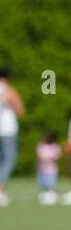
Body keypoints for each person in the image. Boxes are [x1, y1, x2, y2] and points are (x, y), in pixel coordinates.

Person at [0, 68, 24, 208]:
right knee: (9, 159)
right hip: (7, 130)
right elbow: (20, 109)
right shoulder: (8, 90)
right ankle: (0, 189)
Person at [36, 132, 62, 206]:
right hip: (42, 169)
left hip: (51, 170)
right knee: (43, 184)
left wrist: (48, 160)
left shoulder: (55, 147)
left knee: (50, 184)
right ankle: (46, 196)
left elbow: (56, 159)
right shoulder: (41, 145)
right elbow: (39, 157)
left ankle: (52, 196)